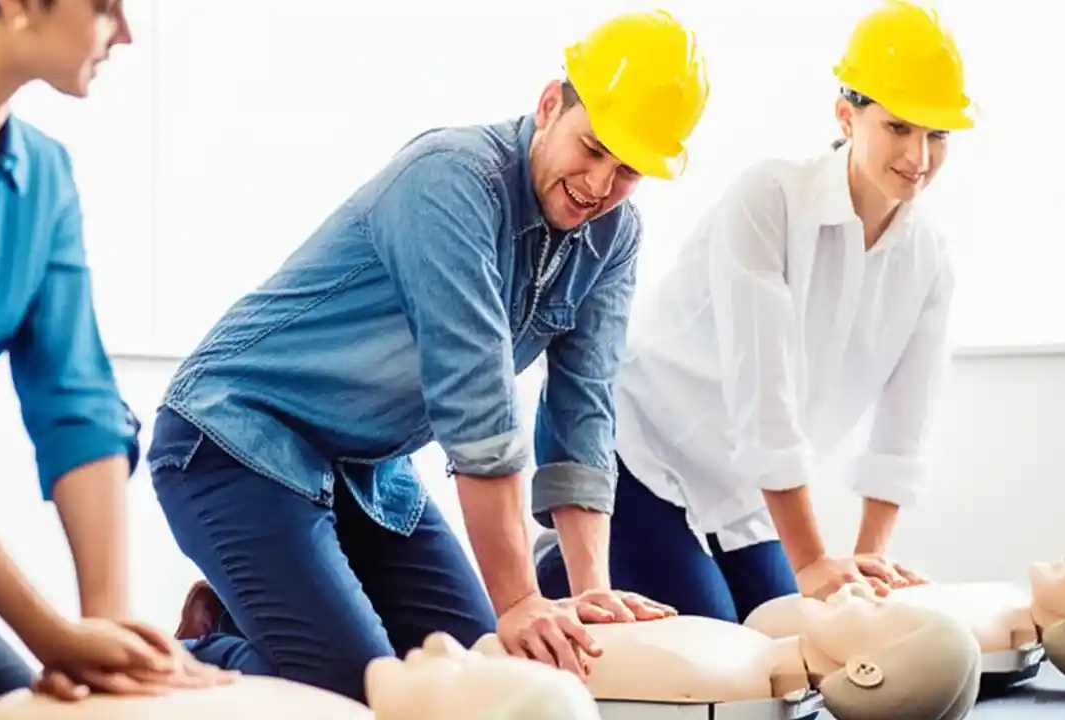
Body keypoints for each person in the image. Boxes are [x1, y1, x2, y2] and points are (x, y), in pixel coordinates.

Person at [147, 9, 709, 704]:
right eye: (592, 149)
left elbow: (583, 407)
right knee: (368, 696)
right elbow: (476, 403)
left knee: (483, 681)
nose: (599, 185)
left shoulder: (613, 236)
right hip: (232, 441)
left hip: (368, 474)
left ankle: (257, 607)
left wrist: (590, 593)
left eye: (627, 171)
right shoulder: (453, 179)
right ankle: (207, 649)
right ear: (548, 104)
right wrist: (520, 601)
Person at [537, 0, 975, 622]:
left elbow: (905, 427)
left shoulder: (930, 256)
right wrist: (815, 565)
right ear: (847, 116)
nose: (920, 156)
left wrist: (869, 564)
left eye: (938, 134)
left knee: (794, 647)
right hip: (640, 456)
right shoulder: (768, 199)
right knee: (717, 642)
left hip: (742, 496)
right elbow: (762, 397)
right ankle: (566, 569)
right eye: (899, 127)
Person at [0, 2, 232, 717]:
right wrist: (46, 632)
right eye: (107, 6)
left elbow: (77, 404)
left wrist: (107, 630)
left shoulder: (43, 176)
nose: (125, 32)